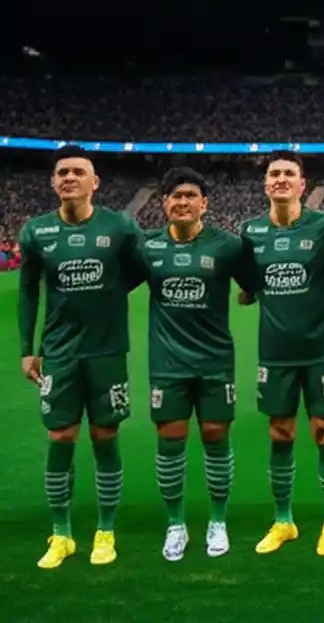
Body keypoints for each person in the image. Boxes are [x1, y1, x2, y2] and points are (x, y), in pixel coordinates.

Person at [19, 144, 145, 569]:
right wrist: (26, 350)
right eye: (62, 172)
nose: (69, 177)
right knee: (61, 438)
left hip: (107, 353)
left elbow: (141, 267)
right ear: (53, 182)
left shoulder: (121, 226)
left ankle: (105, 531)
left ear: (95, 182)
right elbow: (27, 292)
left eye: (78, 171)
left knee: (105, 438)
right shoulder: (36, 232)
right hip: (59, 353)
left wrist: (111, 292)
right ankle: (62, 534)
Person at [239, 150, 324, 556]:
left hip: (321, 353)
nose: (281, 179)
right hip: (274, 356)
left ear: (302, 184)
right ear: (265, 183)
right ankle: (283, 520)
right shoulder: (250, 232)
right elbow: (246, 283)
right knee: (280, 434)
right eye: (274, 173)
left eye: (290, 173)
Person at [134, 167, 253, 561]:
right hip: (167, 364)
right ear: (163, 203)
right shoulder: (147, 248)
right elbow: (111, 283)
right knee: (170, 442)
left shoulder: (227, 246)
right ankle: (176, 524)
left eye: (189, 195)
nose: (181, 201)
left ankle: (217, 522)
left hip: (216, 362)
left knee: (216, 438)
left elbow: (254, 281)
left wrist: (247, 294)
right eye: (174, 195)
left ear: (204, 203)